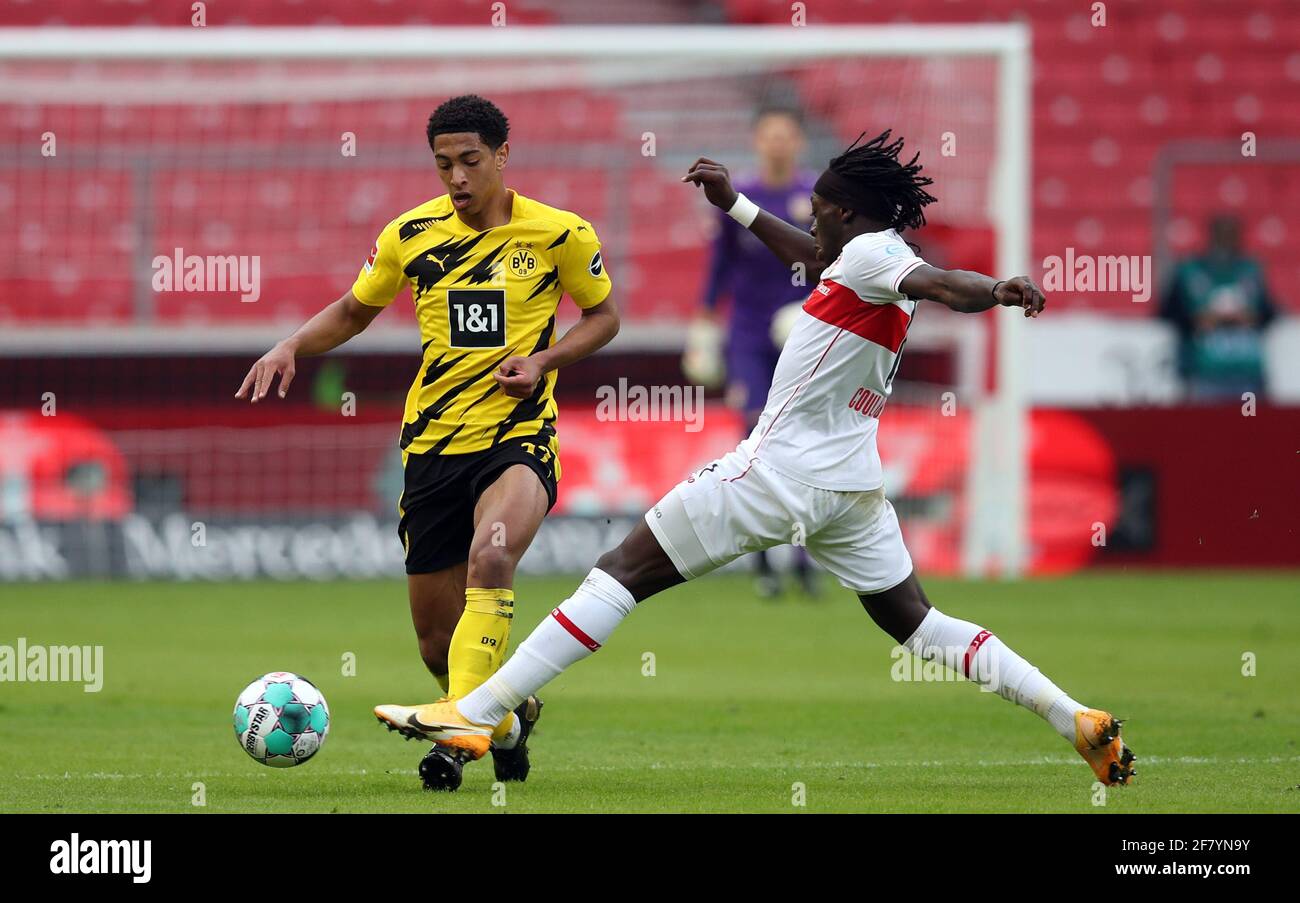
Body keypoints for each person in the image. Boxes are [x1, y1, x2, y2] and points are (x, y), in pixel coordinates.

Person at [374, 130, 1136, 789]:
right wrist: (736, 205)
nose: (812, 217)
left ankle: (475, 713)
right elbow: (818, 256)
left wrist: (996, 288)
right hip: (852, 489)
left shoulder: (875, 255)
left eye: (818, 208)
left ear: (843, 210)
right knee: (918, 623)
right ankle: (1073, 715)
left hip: (776, 474)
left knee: (622, 569)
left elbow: (937, 283)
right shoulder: (861, 255)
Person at [237, 95, 620, 790]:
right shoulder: (409, 235)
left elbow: (604, 317)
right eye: (444, 164)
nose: (457, 177)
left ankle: (460, 736)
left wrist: (542, 362)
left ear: (503, 155)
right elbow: (356, 309)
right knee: (436, 644)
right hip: (433, 449)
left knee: (492, 552)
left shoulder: (560, 235)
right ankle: (508, 712)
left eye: (470, 161)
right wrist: (293, 343)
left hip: (518, 438)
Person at [687, 104, 818, 598]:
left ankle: (802, 558)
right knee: (755, 434)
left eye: (786, 135)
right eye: (770, 136)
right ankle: (763, 562)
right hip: (746, 332)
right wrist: (703, 315)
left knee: (798, 435)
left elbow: (831, 263)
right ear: (757, 142)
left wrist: (814, 306)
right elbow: (720, 260)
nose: (778, 143)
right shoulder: (739, 196)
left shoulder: (817, 197)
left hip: (803, 333)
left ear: (799, 142)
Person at [1160, 214, 1276, 402]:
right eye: (1222, 234)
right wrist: (1197, 320)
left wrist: (1251, 317)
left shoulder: (1251, 270)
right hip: (1205, 371)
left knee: (1250, 427)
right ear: (1211, 236)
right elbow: (1167, 313)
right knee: (1206, 428)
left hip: (1247, 370)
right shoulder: (1190, 271)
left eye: (1231, 234)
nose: (1227, 241)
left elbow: (1269, 312)